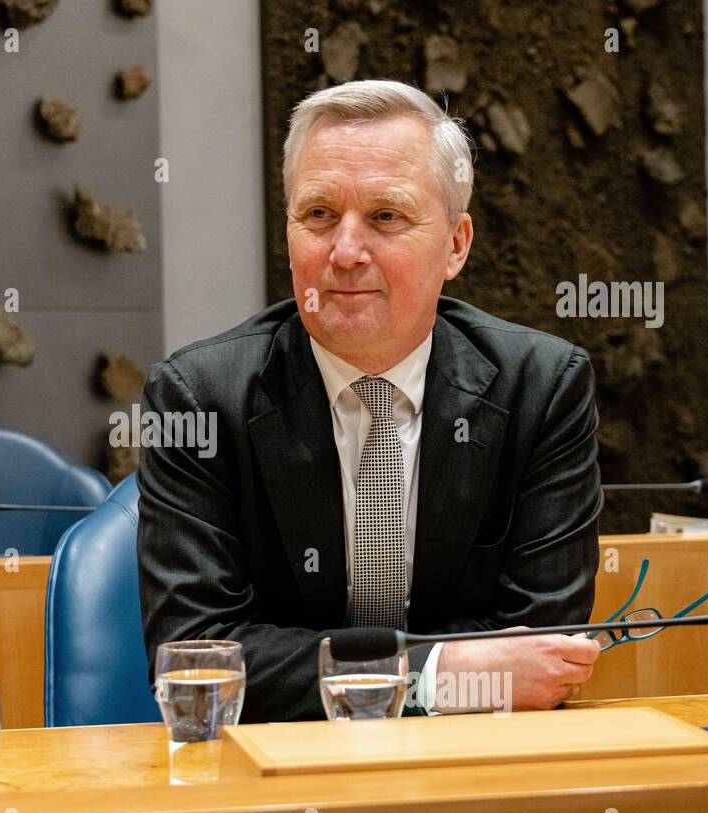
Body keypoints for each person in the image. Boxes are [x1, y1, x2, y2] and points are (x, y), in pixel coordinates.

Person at [137, 79, 602, 721]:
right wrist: (433, 674)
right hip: (265, 779)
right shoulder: (198, 400)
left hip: (477, 771)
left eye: (386, 217)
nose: (346, 253)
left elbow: (539, 655)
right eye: (319, 215)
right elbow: (193, 659)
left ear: (456, 245)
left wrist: (322, 666)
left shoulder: (541, 389)